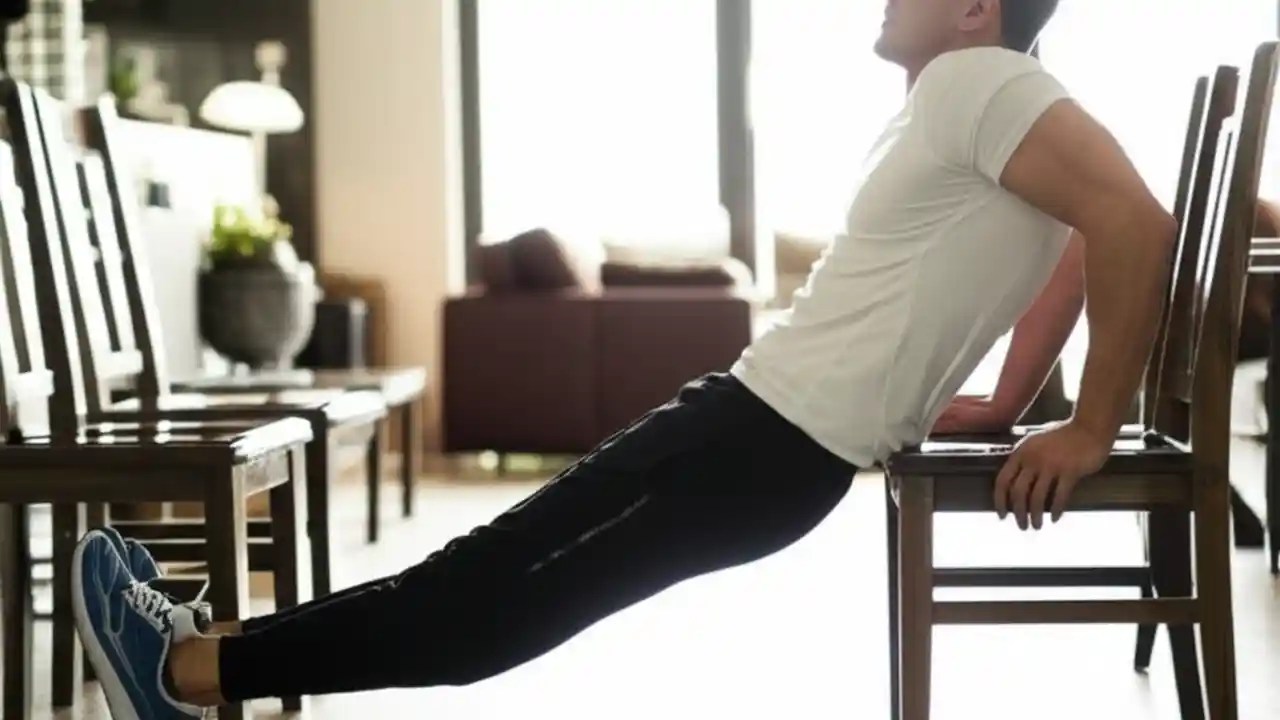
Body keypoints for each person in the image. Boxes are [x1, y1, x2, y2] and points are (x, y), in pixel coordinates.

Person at [73, 0, 1177, 716]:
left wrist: (1079, 424)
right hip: (758, 435)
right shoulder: (970, 100)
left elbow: (1132, 223)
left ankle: (185, 671)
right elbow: (1085, 241)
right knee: (490, 582)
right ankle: (210, 651)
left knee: (480, 596)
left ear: (974, 9)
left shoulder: (982, 82)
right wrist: (1005, 400)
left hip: (762, 443)